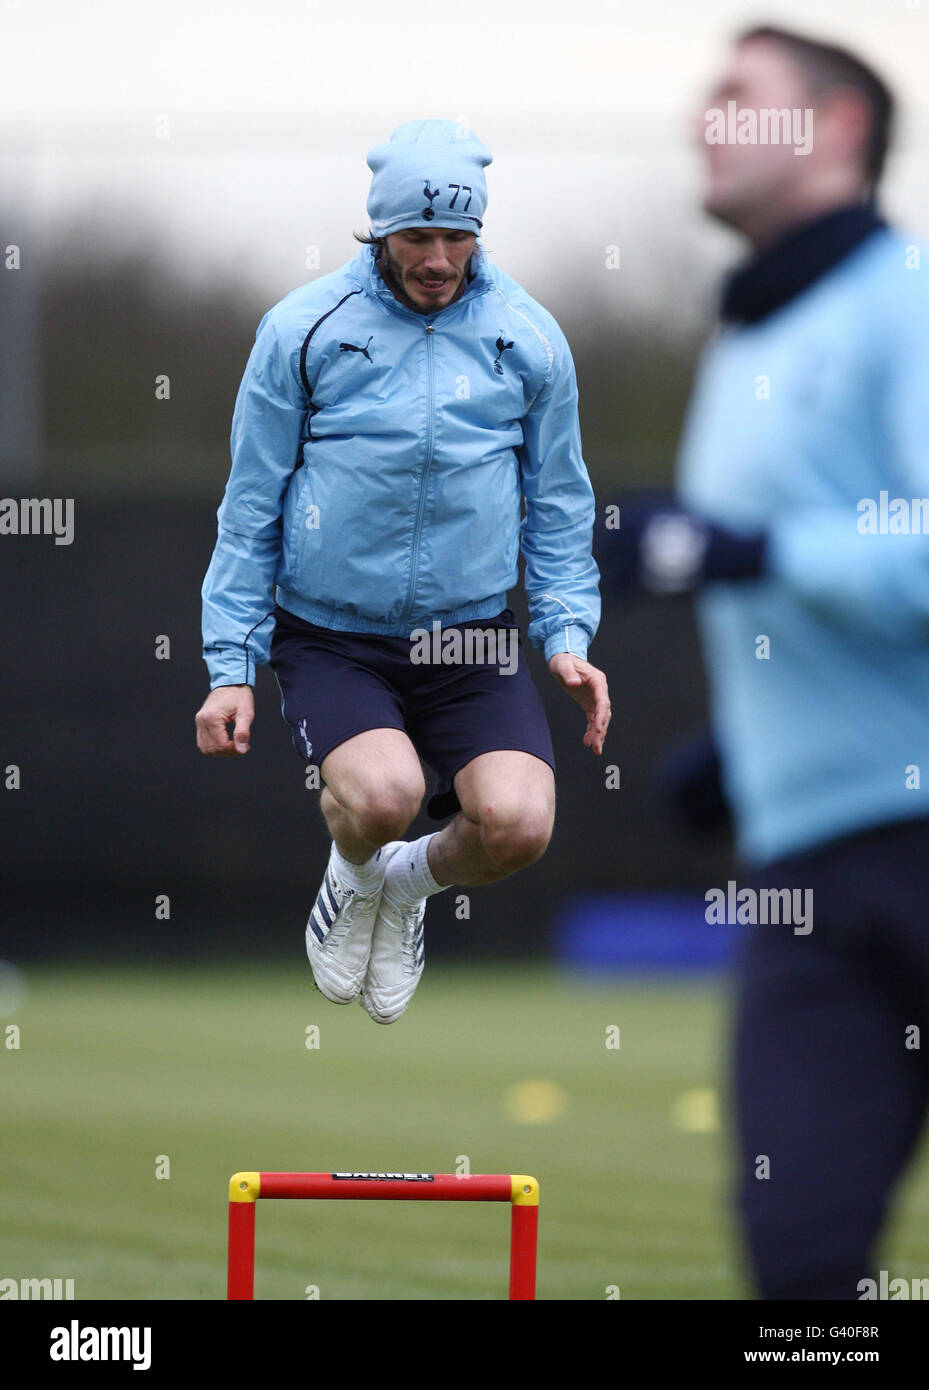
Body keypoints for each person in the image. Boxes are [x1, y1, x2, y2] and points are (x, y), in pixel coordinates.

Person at [598, 27, 929, 1298]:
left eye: (738, 97)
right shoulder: (740, 344)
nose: (702, 119)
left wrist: (741, 547)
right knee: (797, 1269)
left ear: (837, 127)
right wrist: (752, 754)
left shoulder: (904, 299)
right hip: (804, 876)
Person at [196, 119, 610, 1025]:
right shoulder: (301, 329)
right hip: (334, 633)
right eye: (416, 236)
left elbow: (561, 504)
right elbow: (250, 502)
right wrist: (231, 665)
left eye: (456, 235)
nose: (437, 257)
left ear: (477, 234)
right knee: (381, 796)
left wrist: (566, 635)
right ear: (378, 233)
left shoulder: (530, 339)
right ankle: (353, 874)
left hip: (469, 633)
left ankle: (401, 886)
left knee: (519, 825)